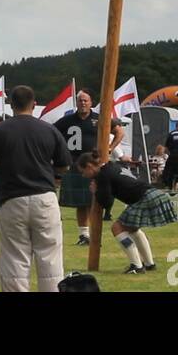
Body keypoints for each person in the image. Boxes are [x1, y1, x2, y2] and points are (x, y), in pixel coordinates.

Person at [0, 85, 71, 292]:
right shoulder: (49, 130)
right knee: (50, 260)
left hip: (11, 199)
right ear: (34, 104)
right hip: (44, 197)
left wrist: (2, 168)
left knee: (14, 259)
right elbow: (64, 166)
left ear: (11, 105)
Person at [76, 149, 178, 274]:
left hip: (145, 197)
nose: (83, 175)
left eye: (83, 172)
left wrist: (95, 192)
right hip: (153, 193)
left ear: (89, 166)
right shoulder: (112, 165)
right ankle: (149, 264)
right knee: (133, 229)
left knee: (117, 228)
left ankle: (136, 266)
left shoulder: (102, 175)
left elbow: (106, 202)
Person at [54, 88, 125, 245]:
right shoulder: (67, 120)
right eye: (80, 100)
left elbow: (120, 132)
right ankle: (84, 235)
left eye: (86, 100)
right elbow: (52, 133)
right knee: (81, 203)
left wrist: (111, 148)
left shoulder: (99, 118)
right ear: (77, 103)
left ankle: (95, 235)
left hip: (94, 165)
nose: (83, 103)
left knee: (96, 201)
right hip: (75, 165)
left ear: (91, 103)